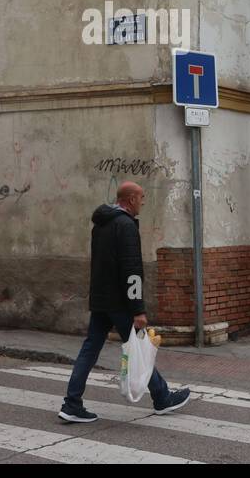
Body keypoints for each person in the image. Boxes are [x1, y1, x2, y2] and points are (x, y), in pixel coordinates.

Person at [58, 181, 191, 422]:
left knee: (91, 350)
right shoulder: (126, 226)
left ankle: (71, 403)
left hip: (101, 300)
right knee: (140, 348)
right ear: (130, 200)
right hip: (120, 302)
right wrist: (137, 308)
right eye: (141, 197)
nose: (143, 201)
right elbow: (132, 270)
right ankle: (162, 398)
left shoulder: (101, 224)